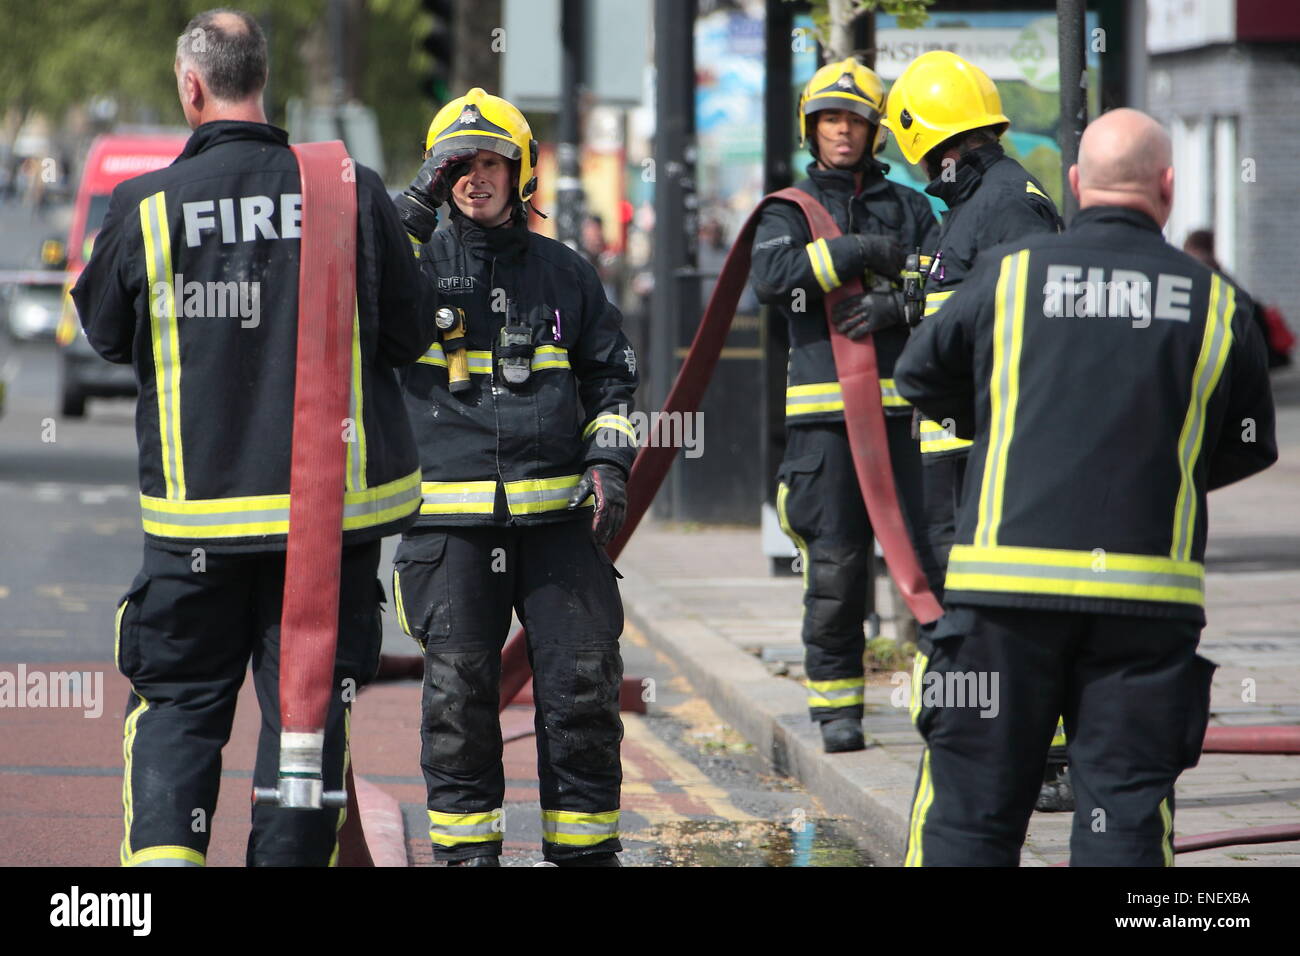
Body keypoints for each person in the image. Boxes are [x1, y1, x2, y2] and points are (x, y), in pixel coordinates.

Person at [70, 9, 431, 866]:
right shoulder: (347, 191)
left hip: (195, 533)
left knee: (179, 709)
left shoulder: (145, 207)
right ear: (265, 81)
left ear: (191, 86)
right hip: (322, 531)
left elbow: (108, 334)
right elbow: (408, 337)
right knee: (305, 723)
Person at [893, 108, 1277, 866]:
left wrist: (1011, 424)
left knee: (972, 816)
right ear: (1169, 186)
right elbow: (1247, 444)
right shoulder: (1217, 303)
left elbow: (916, 376)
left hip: (1001, 601)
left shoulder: (1010, 274)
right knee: (1124, 821)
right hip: (1145, 605)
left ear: (1076, 184)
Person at [391, 88, 638, 867]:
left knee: (583, 692)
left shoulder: (567, 274)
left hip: (559, 523)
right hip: (450, 531)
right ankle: (469, 859)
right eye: (455, 167)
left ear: (520, 172)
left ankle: (586, 854)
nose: (474, 179)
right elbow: (346, 289)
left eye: (489, 163)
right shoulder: (411, 273)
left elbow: (613, 382)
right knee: (459, 706)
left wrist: (607, 461)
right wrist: (413, 205)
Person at [882, 50, 1072, 808]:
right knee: (964, 598)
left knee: (1004, 603)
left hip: (984, 449)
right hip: (955, 445)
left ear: (939, 142)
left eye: (926, 154)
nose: (925, 168)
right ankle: (982, 739)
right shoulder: (971, 205)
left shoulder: (1007, 205)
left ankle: (1046, 762)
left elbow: (1022, 328)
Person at [750, 58, 940, 754]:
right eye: (832, 118)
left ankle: (941, 707)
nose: (843, 131)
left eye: (855, 120)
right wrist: (860, 250)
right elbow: (773, 276)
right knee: (836, 571)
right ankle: (837, 711)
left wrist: (898, 302)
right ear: (813, 127)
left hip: (906, 422)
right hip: (826, 427)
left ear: (872, 131)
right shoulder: (787, 209)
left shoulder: (913, 206)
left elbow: (944, 283)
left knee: (930, 565)